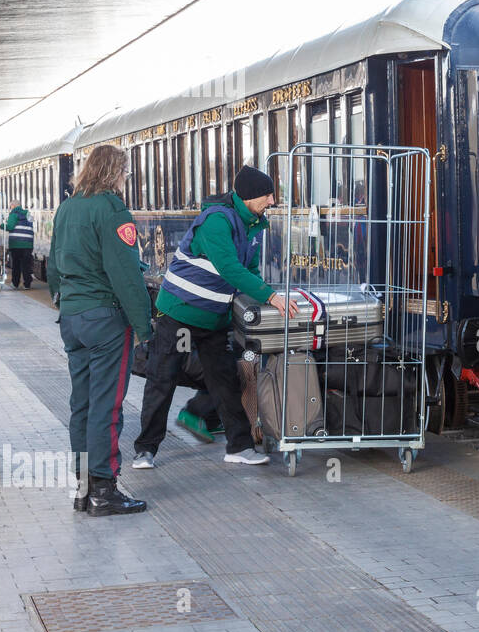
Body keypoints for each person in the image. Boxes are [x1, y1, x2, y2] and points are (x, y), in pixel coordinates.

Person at [133, 165, 299, 467]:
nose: (272, 200)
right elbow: (229, 269)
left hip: (213, 319)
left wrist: (265, 301)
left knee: (225, 379)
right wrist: (271, 296)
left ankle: (239, 448)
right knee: (163, 378)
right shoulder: (217, 221)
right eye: (267, 195)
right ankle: (146, 449)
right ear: (248, 196)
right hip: (180, 314)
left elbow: (250, 271)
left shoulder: (254, 225)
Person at [48, 145, 153, 516]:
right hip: (105, 321)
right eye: (125, 172)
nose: (126, 178)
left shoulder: (67, 208)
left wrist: (65, 303)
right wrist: (145, 327)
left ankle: (82, 489)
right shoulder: (111, 209)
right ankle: (104, 492)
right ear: (115, 172)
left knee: (82, 404)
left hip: (73, 320)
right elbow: (125, 274)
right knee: (106, 407)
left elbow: (53, 269)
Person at [1, 199, 35, 289]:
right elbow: (31, 225)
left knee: (16, 265)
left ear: (13, 206)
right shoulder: (28, 214)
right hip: (28, 244)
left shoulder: (13, 214)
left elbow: (10, 226)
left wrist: (2, 225)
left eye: (10, 206)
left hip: (16, 244)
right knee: (26, 265)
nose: (10, 208)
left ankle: (15, 283)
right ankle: (27, 284)